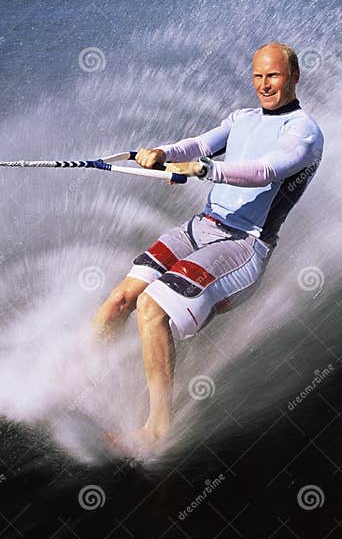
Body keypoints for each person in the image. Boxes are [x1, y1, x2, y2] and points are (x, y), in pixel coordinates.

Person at [93, 42, 324, 455]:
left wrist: (204, 169)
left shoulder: (303, 131)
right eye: (257, 76)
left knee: (151, 307)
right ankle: (85, 382)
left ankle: (156, 429)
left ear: (293, 77)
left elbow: (264, 171)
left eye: (273, 75)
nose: (264, 84)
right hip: (199, 228)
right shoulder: (242, 119)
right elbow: (197, 145)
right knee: (118, 300)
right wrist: (164, 153)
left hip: (243, 244)